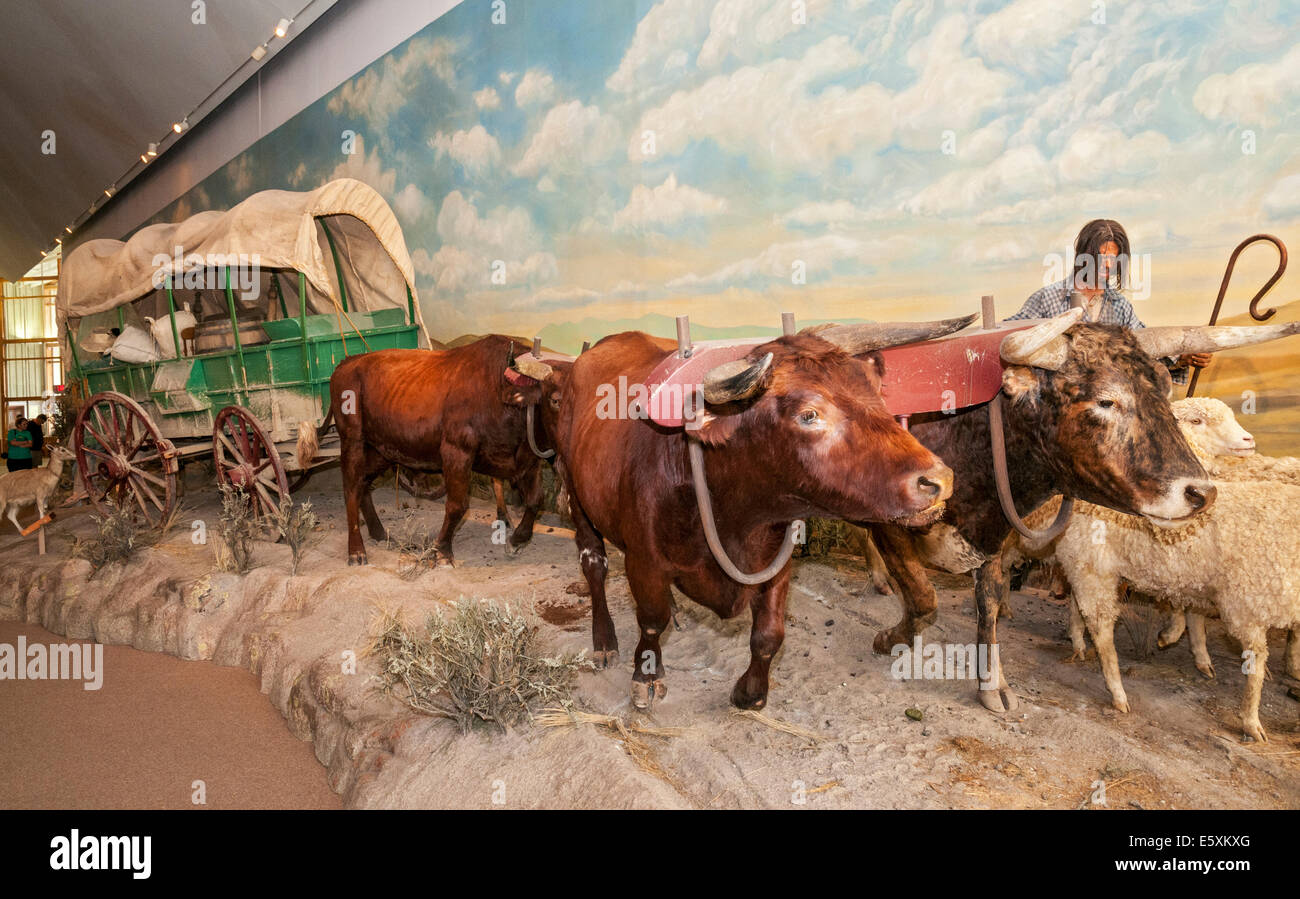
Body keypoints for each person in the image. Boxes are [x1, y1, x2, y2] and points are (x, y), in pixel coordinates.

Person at [1006, 219, 1212, 384]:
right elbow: (1009, 340)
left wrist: (1182, 358)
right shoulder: (1048, 299)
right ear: (1083, 256)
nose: (1107, 265)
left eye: (1114, 258)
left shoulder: (1120, 306)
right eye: (1101, 257)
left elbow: (1142, 350)